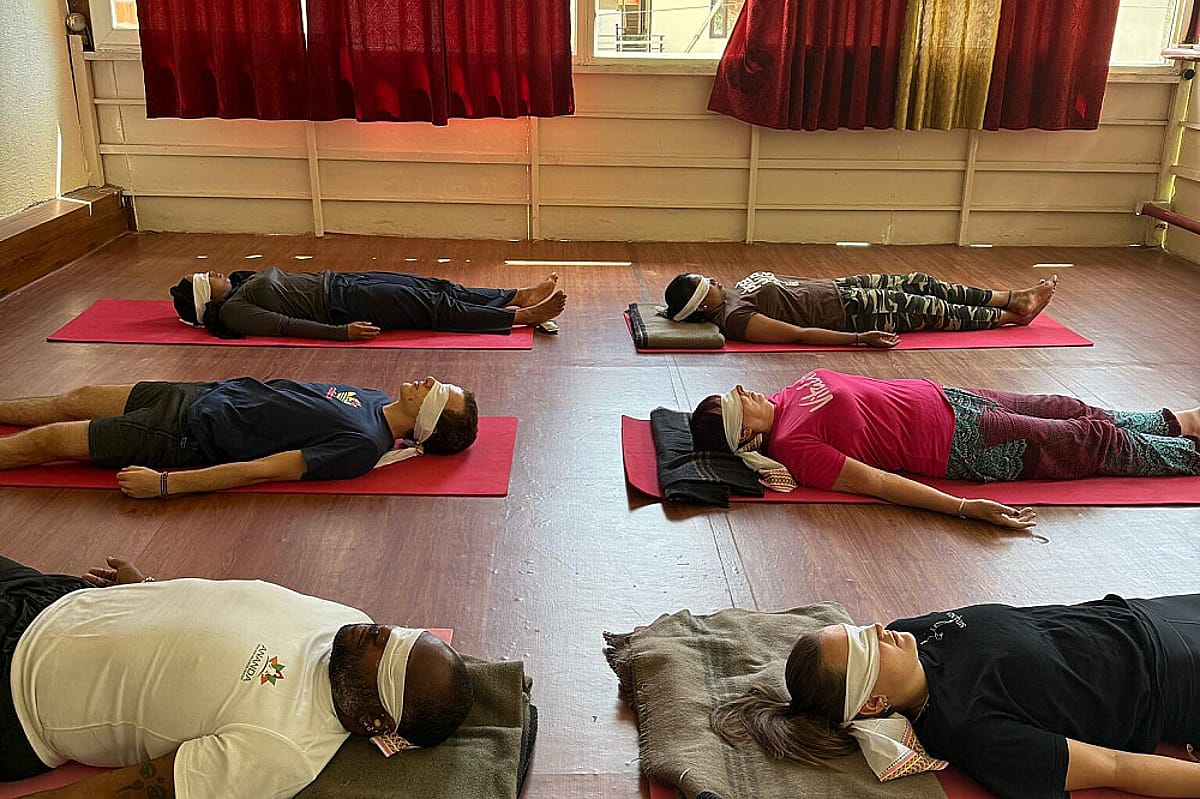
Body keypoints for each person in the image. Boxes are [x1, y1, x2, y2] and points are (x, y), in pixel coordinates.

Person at [0, 554, 474, 797]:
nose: (382, 633)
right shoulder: (344, 621)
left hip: (16, 692)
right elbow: (222, 606)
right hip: (57, 596)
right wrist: (146, 588)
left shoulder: (284, 752)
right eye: (401, 634)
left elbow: (143, 788)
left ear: (373, 721)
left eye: (392, 659)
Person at [712, 593, 1200, 799]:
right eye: (865, 645)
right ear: (874, 704)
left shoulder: (912, 633)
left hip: (1141, 613)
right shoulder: (973, 732)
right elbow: (1114, 768)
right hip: (1175, 683)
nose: (879, 628)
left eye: (861, 627)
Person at [688, 368, 1200, 527]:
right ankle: (1187, 453)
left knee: (1063, 406)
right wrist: (963, 507)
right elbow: (878, 483)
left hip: (951, 398)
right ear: (747, 438)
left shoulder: (784, 395)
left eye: (731, 391)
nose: (741, 392)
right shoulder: (796, 446)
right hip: (959, 446)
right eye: (734, 405)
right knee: (1083, 443)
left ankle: (1170, 422)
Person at [0, 375, 478, 498]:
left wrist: (167, 484)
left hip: (186, 434)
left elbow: (265, 469)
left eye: (438, 393)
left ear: (427, 421)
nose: (429, 382)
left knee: (51, 442)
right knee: (76, 397)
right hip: (203, 394)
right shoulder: (373, 399)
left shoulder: (361, 446)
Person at [662, 271, 1057, 346]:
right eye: (705, 285)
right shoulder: (736, 319)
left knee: (923, 282)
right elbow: (798, 335)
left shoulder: (731, 294)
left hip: (846, 287)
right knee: (925, 306)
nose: (713, 280)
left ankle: (1011, 298)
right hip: (853, 313)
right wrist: (856, 339)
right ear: (701, 304)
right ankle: (1010, 317)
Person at [169, 268, 567, 340]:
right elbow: (286, 326)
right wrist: (341, 333)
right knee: (429, 307)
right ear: (206, 298)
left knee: (434, 284)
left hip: (343, 281)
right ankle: (519, 317)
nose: (214, 272)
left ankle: (514, 296)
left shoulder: (240, 287)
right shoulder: (236, 311)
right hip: (342, 304)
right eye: (205, 279)